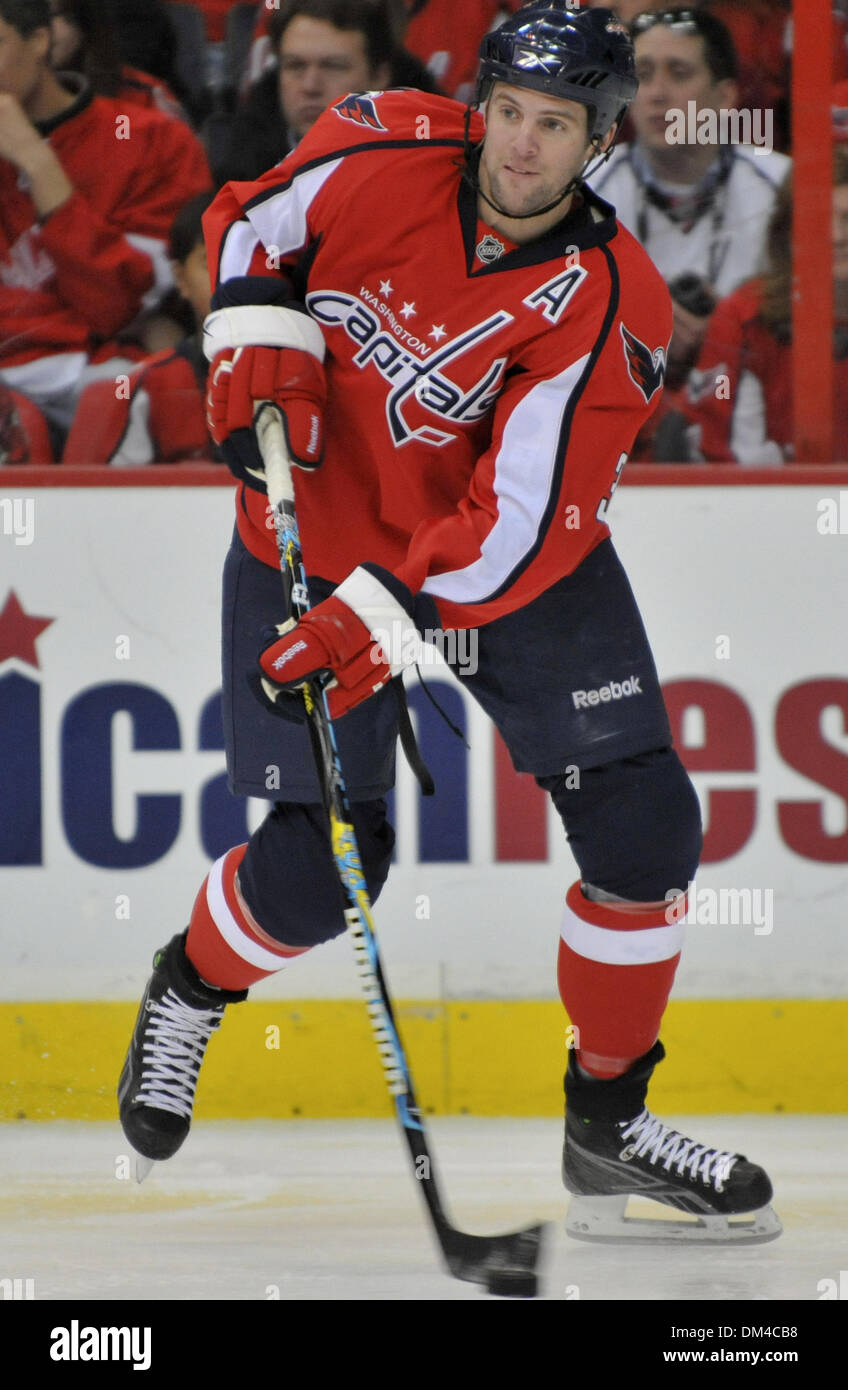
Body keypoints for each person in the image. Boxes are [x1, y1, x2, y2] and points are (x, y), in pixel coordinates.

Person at [118, 2, 779, 1246]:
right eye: (508, 113)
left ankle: (606, 1125)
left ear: (597, 142)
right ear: (483, 101)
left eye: (554, 127)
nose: (517, 147)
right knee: (325, 869)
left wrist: (380, 617)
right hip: (307, 534)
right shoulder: (377, 141)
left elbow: (515, 526)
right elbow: (255, 220)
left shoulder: (606, 300)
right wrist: (253, 329)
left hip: (507, 572)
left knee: (643, 829)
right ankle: (191, 988)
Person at [0, 0, 212, 436]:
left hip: (105, 375)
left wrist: (39, 166)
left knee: (155, 397)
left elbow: (119, 303)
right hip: (19, 373)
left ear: (39, 41)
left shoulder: (153, 141)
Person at [589, 7, 789, 425]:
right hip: (616, 417)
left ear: (726, 97)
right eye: (642, 74)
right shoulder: (583, 189)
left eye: (679, 73)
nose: (657, 93)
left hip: (750, 423)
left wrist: (728, 333)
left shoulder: (784, 187)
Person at [682, 147, 848, 464]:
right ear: (787, 231)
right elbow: (710, 451)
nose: (837, 236)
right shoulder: (743, 317)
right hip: (773, 509)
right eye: (819, 219)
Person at [61, 192, 218, 466]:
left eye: (247, 257)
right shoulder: (149, 386)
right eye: (210, 263)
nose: (231, 274)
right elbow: (106, 503)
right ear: (180, 278)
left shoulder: (302, 373)